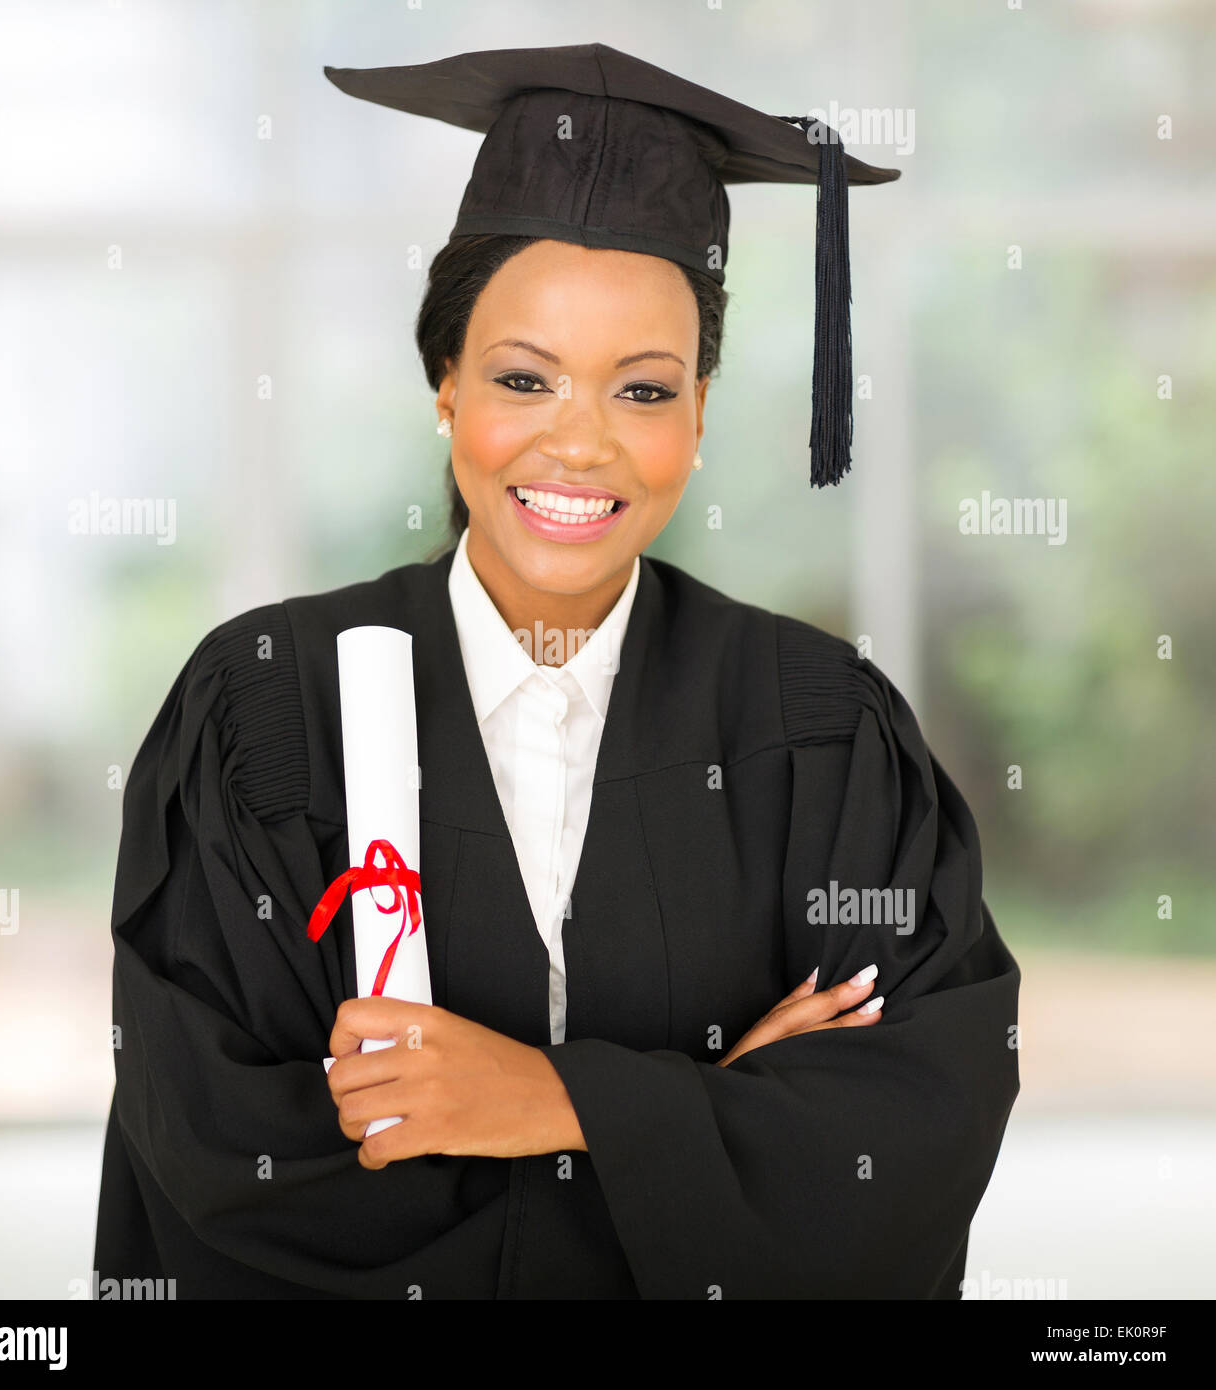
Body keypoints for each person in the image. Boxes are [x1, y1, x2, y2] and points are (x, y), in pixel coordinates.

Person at [94, 43, 1020, 1299]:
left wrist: (542, 1100)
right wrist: (700, 1124)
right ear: (444, 385)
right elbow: (225, 1167)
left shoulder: (821, 727)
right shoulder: (263, 707)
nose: (578, 442)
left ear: (697, 417)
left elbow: (907, 1129)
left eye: (642, 388)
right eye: (522, 378)